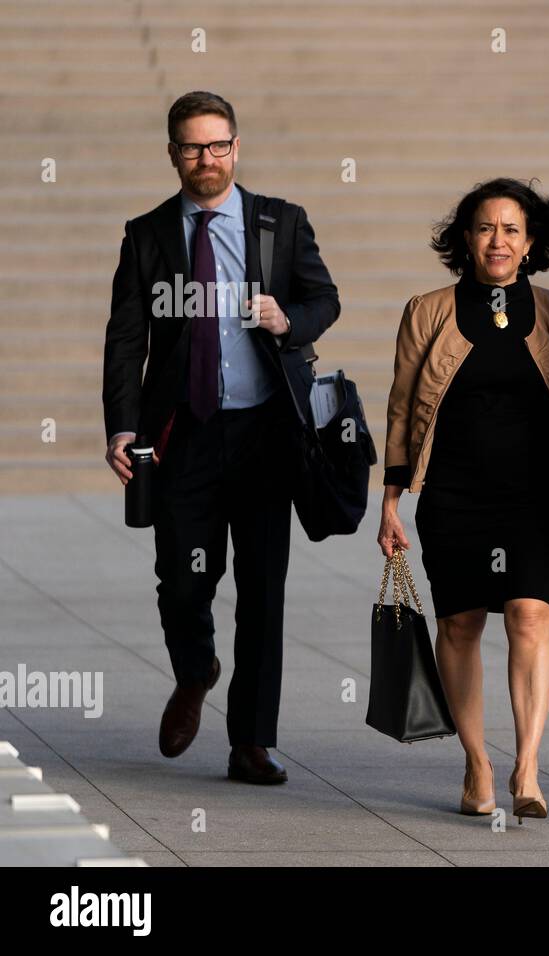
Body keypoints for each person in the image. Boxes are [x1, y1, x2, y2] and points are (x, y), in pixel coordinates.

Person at [102, 91, 340, 784]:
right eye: (191, 147)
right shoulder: (147, 234)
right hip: (184, 432)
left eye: (217, 145)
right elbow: (126, 339)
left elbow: (325, 300)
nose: (205, 159)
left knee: (263, 588)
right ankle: (196, 666)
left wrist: (285, 318)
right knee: (181, 579)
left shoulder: (280, 223)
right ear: (172, 152)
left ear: (236, 147)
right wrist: (123, 423)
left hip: (266, 432)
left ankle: (252, 742)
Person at [379, 177, 549, 823]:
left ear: (532, 242)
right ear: (465, 240)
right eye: (484, 227)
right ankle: (477, 762)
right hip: (452, 493)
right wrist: (391, 501)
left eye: (511, 228)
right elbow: (400, 409)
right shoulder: (428, 309)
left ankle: (527, 767)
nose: (497, 240)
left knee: (531, 617)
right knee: (461, 624)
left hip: (532, 492)